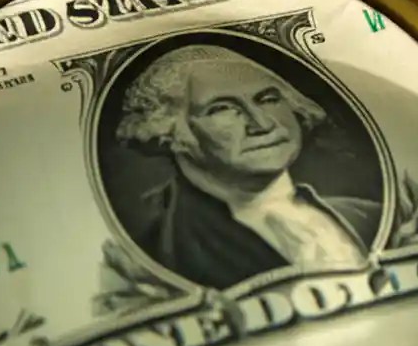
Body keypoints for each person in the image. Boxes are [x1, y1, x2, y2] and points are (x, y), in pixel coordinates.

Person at [115, 43, 381, 290]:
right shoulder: (161, 257)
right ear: (168, 132)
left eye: (268, 99)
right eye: (222, 109)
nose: (262, 124)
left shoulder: (365, 215)